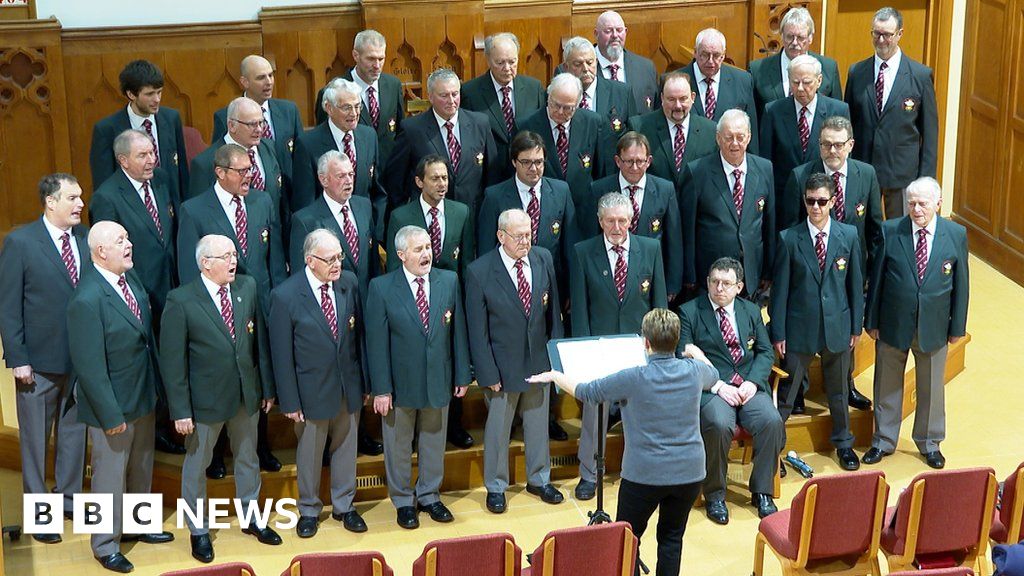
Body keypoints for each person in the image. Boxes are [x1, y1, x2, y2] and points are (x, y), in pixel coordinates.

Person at [529, 308, 718, 576]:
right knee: (672, 538)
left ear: (646, 342)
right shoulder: (695, 371)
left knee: (628, 540)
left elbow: (587, 392)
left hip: (644, 475)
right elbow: (713, 373)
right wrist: (697, 353)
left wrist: (555, 375)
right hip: (689, 473)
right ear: (676, 340)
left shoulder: (633, 377)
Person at [160, 234, 279, 563]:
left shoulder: (247, 287)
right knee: (197, 465)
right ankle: (198, 530)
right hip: (204, 402)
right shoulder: (181, 300)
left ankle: (252, 518)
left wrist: (266, 388)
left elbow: (259, 343)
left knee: (248, 458)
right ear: (205, 263)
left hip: (245, 394)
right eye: (226, 256)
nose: (233, 260)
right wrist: (180, 410)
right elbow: (173, 363)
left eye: (234, 254)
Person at [68, 221, 174, 573]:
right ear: (101, 252)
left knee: (140, 468)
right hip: (112, 407)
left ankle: (137, 525)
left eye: (127, 237)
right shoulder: (87, 300)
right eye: (120, 241)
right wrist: (110, 415)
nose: (129, 244)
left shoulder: (131, 280)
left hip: (142, 395)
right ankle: (105, 544)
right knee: (109, 478)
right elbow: (90, 368)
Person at [177, 143, 286, 475]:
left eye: (250, 169)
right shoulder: (194, 210)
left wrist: (277, 299)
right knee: (222, 374)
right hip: (215, 310)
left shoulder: (262, 201)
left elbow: (274, 256)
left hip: (257, 302)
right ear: (220, 172)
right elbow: (188, 269)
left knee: (254, 374)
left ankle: (260, 447)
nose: (248, 176)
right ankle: (215, 456)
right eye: (241, 171)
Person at [0, 173, 89, 544]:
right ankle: (40, 515)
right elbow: (8, 307)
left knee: (74, 436)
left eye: (80, 197)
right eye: (72, 198)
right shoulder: (20, 242)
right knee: (36, 443)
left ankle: (68, 500)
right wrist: (18, 357)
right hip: (37, 364)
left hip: (80, 361)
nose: (81, 204)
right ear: (50, 202)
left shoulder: (85, 239)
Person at [365, 225, 472, 529]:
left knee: (434, 441)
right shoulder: (381, 288)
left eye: (428, 247)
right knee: (399, 445)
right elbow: (376, 343)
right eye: (418, 249)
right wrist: (381, 389)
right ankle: (403, 501)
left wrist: (462, 374)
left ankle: (429, 495)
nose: (426, 254)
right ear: (401, 255)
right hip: (399, 385)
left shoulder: (448, 281)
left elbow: (458, 332)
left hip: (438, 378)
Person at [476, 131, 575, 442]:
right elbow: (486, 249)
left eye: (540, 162)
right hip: (506, 292)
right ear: (514, 162)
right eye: (528, 162)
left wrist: (567, 292)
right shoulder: (495, 195)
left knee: (542, 358)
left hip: (546, 288)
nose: (534, 168)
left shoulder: (560, 190)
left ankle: (548, 421)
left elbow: (569, 244)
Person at [863, 177, 968, 469]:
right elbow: (877, 280)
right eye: (911, 203)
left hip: (934, 325)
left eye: (922, 203)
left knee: (931, 388)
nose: (916, 209)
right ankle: (883, 440)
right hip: (892, 323)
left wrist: (957, 327)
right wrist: (871, 320)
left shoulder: (956, 234)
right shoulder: (890, 231)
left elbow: (962, 284)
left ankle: (930, 442)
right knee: (886, 384)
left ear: (938, 203)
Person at [270, 229, 368, 538]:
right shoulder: (285, 295)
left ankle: (344, 505)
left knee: (347, 447)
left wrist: (364, 382)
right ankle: (309, 509)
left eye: (340, 256)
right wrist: (289, 400)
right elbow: (281, 355)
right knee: (310, 453)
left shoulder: (349, 283)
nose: (338, 264)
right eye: (330, 259)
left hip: (348, 385)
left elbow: (359, 337)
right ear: (310, 261)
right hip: (309, 391)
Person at [465, 209, 565, 513]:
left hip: (538, 360)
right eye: (518, 236)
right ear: (501, 236)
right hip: (501, 365)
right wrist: (487, 372)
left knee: (538, 425)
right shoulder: (479, 271)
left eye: (528, 234)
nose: (525, 241)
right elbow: (477, 331)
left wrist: (555, 358)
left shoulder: (542, 258)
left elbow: (553, 313)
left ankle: (539, 478)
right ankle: (496, 486)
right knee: (498, 430)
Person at [570, 192, 667, 500]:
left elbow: (658, 305)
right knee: (594, 413)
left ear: (631, 220)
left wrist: (658, 348)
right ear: (600, 221)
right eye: (610, 221)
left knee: (642, 413)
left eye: (622, 221)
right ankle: (589, 474)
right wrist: (583, 352)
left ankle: (643, 471)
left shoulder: (650, 249)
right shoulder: (583, 252)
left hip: (638, 348)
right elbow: (579, 308)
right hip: (599, 349)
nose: (616, 227)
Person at [784, 115, 882, 411]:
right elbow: (790, 228)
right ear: (819, 144)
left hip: (850, 271)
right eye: (826, 144)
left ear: (850, 145)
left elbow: (875, 228)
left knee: (845, 326)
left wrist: (872, 272)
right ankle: (797, 391)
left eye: (839, 144)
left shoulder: (867, 174)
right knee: (802, 328)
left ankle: (845, 385)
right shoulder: (800, 176)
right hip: (808, 270)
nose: (833, 151)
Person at [769, 174, 864, 471]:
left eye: (822, 201)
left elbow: (855, 284)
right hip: (799, 329)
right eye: (811, 201)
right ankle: (773, 450)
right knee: (786, 394)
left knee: (839, 390)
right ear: (804, 201)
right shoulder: (789, 238)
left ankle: (844, 444)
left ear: (833, 201)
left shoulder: (848, 235)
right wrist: (778, 332)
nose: (816, 207)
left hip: (837, 327)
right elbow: (780, 291)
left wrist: (855, 326)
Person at [679, 257, 784, 524]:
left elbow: (765, 351)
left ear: (739, 287)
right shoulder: (689, 312)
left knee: (771, 421)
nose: (719, 288)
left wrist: (752, 382)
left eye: (726, 283)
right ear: (707, 282)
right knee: (718, 424)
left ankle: (762, 491)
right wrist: (717, 385)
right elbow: (684, 357)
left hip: (748, 385)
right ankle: (715, 494)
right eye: (714, 281)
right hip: (713, 388)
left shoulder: (751, 310)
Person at [845, 6, 938, 219]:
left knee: (900, 232)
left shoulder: (920, 76)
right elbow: (847, 124)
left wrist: (926, 181)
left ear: (899, 34)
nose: (881, 40)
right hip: (864, 170)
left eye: (887, 35)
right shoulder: (857, 72)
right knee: (862, 231)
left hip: (902, 175)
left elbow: (930, 134)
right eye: (876, 34)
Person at [681, 109, 775, 297]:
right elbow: (687, 228)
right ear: (718, 138)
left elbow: (769, 223)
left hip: (751, 274)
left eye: (740, 137)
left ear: (749, 137)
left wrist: (768, 270)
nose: (735, 143)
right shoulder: (697, 171)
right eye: (728, 137)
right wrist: (690, 274)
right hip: (711, 276)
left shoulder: (765, 168)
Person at [582, 131, 682, 301]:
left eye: (640, 161)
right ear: (617, 161)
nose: (634, 167)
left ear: (648, 161)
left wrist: (672, 283)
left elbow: (674, 240)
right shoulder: (599, 189)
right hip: (610, 278)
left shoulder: (665, 190)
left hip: (650, 277)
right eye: (629, 161)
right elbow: (591, 237)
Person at [384, 68, 497, 215]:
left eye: (455, 94)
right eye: (444, 95)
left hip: (472, 216)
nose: (451, 101)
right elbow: (396, 181)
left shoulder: (480, 123)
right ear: (430, 97)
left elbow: (492, 174)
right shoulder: (412, 129)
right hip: (430, 218)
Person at [89, 60, 189, 207]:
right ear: (131, 94)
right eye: (149, 94)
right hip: (131, 210)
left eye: (159, 92)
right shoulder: (107, 129)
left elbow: (181, 171)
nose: (157, 99)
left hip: (169, 207)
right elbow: (104, 184)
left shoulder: (171, 118)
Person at [293, 78, 385, 231]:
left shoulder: (369, 136)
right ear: (329, 108)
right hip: (326, 233)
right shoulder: (308, 144)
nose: (354, 113)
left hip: (363, 232)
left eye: (357, 106)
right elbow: (305, 201)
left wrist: (377, 231)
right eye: (347, 108)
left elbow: (378, 190)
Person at [759, 54, 850, 201]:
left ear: (819, 80)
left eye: (807, 82)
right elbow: (766, 160)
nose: (800, 88)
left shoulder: (838, 110)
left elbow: (844, 157)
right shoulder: (773, 111)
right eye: (795, 82)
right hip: (785, 196)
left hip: (822, 198)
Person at [461, 32, 545, 183]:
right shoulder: (470, 93)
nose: (507, 68)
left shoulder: (534, 88)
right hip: (489, 175)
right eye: (500, 62)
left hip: (527, 174)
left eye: (512, 62)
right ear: (488, 60)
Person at [188, 97, 286, 226]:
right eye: (252, 124)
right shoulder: (205, 163)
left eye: (261, 123)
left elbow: (280, 198)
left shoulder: (270, 148)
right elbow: (199, 214)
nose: (259, 129)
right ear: (232, 126)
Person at [315, 29, 404, 167]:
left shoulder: (393, 85)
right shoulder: (332, 93)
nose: (377, 66)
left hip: (388, 172)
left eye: (381, 59)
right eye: (371, 59)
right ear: (356, 55)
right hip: (351, 172)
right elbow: (324, 139)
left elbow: (400, 132)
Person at [517, 73, 605, 209]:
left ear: (578, 104)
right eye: (555, 105)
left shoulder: (592, 123)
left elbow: (600, 171)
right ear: (548, 97)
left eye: (568, 108)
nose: (560, 111)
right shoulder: (526, 125)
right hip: (543, 208)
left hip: (582, 208)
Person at [212, 55, 303, 183]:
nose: (269, 82)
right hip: (248, 188)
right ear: (244, 82)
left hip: (288, 190)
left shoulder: (289, 110)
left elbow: (301, 155)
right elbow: (220, 159)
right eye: (261, 78)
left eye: (270, 75)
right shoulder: (225, 117)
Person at [386, 155, 475, 281]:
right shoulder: (400, 218)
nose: (442, 184)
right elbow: (394, 267)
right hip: (415, 290)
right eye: (435, 179)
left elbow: (466, 263)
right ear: (419, 182)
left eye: (444, 178)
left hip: (450, 290)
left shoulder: (462, 213)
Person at [627, 71, 718, 192]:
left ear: (692, 98)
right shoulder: (640, 128)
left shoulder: (710, 131)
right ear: (662, 98)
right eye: (671, 99)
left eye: (683, 99)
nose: (678, 106)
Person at [748, 7, 842, 119]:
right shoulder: (757, 70)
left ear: (810, 38)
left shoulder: (828, 68)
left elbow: (837, 116)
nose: (794, 43)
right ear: (781, 36)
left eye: (800, 38)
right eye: (789, 37)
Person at [678, 28, 760, 154]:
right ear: (695, 52)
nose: (710, 61)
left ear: (723, 55)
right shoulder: (675, 81)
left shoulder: (743, 81)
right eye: (705, 55)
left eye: (716, 56)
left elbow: (750, 130)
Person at [562, 36, 636, 168]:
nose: (586, 69)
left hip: (610, 170)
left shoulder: (621, 93)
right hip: (573, 171)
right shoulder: (558, 96)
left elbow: (633, 137)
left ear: (596, 62)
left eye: (590, 62)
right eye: (578, 64)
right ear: (566, 67)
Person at [591, 10, 659, 113]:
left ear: (626, 32)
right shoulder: (580, 67)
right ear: (596, 34)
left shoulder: (646, 68)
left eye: (619, 30)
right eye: (608, 31)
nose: (615, 35)